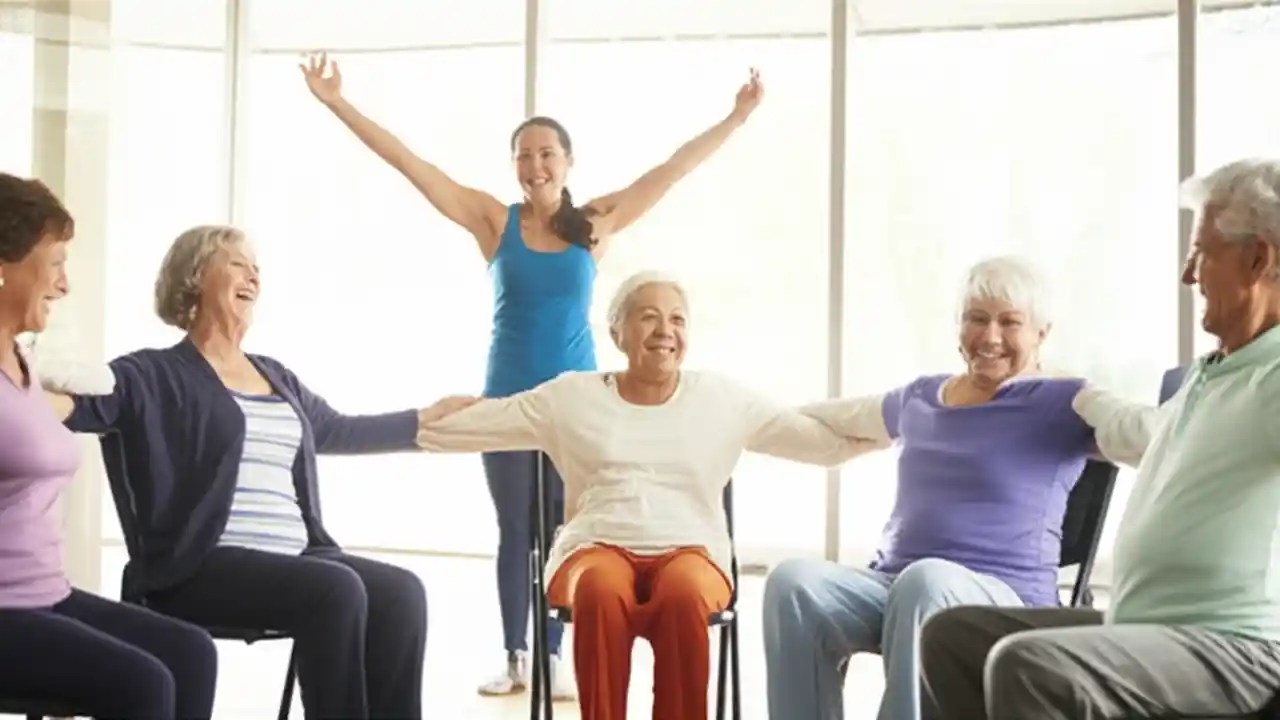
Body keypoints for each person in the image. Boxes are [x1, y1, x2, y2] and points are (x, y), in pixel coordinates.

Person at [299, 51, 765, 699]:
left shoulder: (594, 225)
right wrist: (336, 102)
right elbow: (413, 166)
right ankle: (518, 656)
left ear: (567, 163)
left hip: (580, 411)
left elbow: (672, 171)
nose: (536, 165)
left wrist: (735, 118)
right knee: (515, 531)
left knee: (572, 531)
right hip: (509, 403)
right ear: (515, 165)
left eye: (547, 154)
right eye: (524, 155)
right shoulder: (496, 222)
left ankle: (558, 653)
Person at [40, 224, 468, 720]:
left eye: (257, 268)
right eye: (237, 263)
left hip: (300, 559)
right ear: (197, 276)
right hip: (197, 565)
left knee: (400, 592)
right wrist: (18, 387)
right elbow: (81, 406)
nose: (253, 275)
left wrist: (425, 420)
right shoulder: (152, 372)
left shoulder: (275, 375)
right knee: (335, 588)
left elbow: (336, 430)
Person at [415, 270, 882, 720]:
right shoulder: (571, 398)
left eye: (677, 319)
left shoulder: (720, 399)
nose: (665, 331)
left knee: (684, 594)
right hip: (594, 548)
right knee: (599, 586)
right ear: (617, 333)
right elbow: (485, 421)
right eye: (648, 317)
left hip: (692, 551)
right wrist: (398, 427)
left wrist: (907, 419)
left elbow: (820, 441)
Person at [920, 158, 1280, 719]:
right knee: (953, 636)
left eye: (1201, 252)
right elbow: (1135, 431)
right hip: (1150, 625)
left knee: (1031, 665)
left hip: (1239, 645)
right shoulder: (1213, 373)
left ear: (1258, 258)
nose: (1188, 274)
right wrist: (1077, 393)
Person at [761, 256, 1108, 720]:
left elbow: (1145, 435)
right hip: (896, 585)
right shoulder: (922, 397)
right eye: (977, 318)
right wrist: (755, 420)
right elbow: (840, 417)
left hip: (1005, 598)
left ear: (1040, 334)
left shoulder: (1063, 401)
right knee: (793, 583)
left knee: (926, 580)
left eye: (1010, 323)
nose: (990, 337)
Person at [0, 173, 218, 719]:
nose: (64, 285)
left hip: (44, 594)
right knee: (141, 684)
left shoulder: (22, 362)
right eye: (54, 264)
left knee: (189, 653)